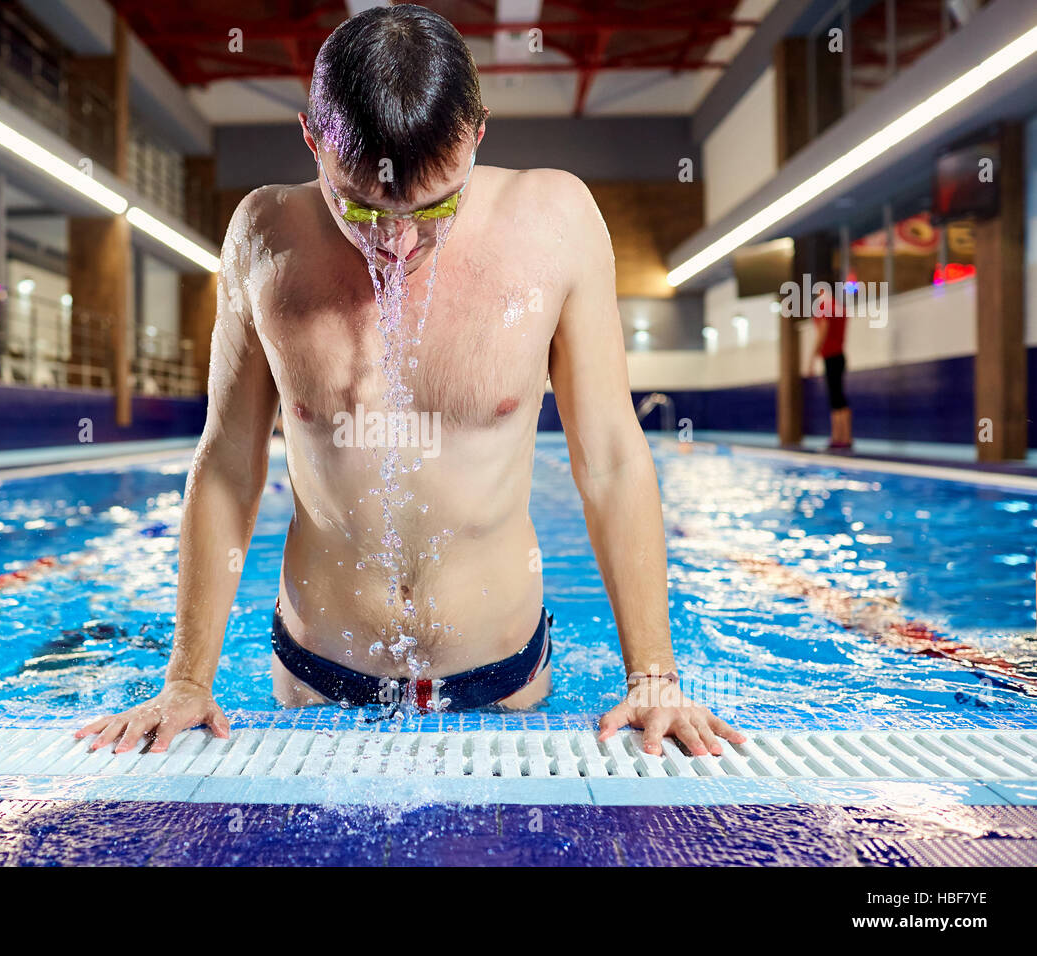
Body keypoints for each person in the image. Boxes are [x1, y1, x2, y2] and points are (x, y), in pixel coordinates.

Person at [78, 4, 744, 758]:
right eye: (359, 206)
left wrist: (652, 674)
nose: (396, 242)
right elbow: (228, 462)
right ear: (312, 140)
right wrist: (189, 680)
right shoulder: (262, 237)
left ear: (477, 135)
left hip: (504, 681)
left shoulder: (557, 224)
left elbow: (613, 459)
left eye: (437, 207)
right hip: (314, 680)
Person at [809, 283, 851, 450]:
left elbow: (823, 330)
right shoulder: (839, 307)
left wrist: (812, 357)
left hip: (831, 356)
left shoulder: (824, 306)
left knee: (835, 397)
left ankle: (838, 437)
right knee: (839, 395)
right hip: (840, 355)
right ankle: (845, 437)